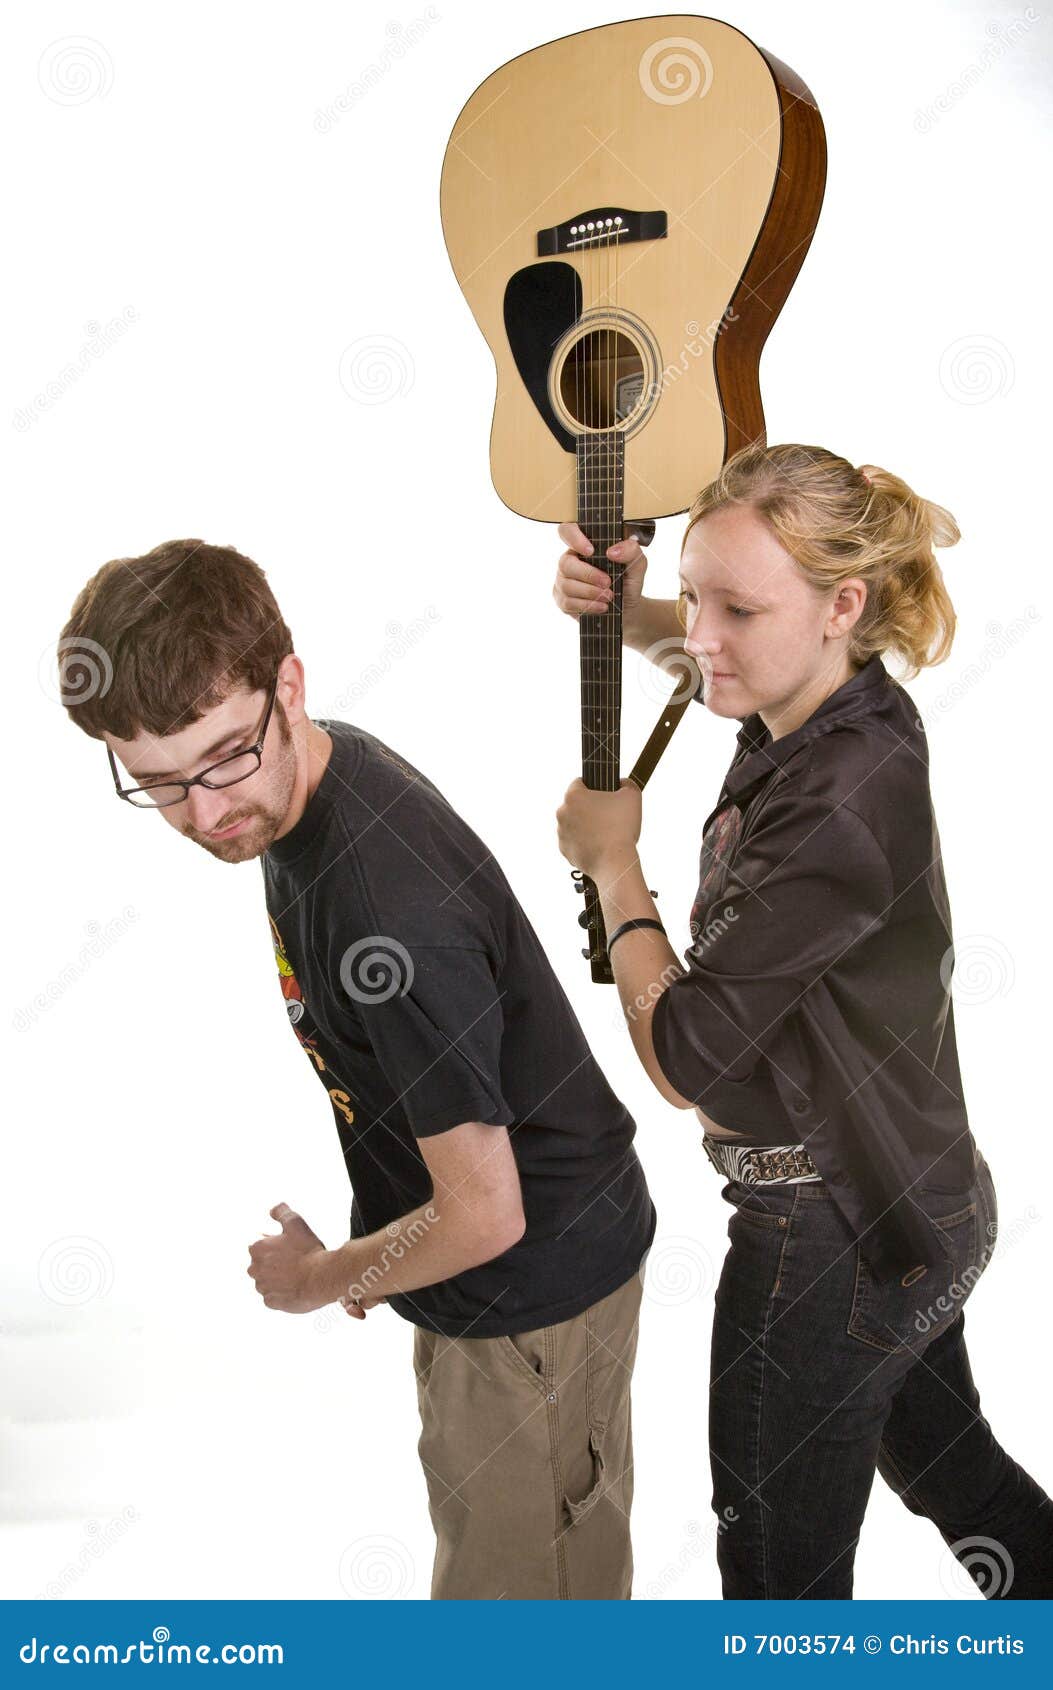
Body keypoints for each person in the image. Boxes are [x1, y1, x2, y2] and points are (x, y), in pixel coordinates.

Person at [57, 538, 655, 1601]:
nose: (205, 815)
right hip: (495, 1279)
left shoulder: (387, 914)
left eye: (226, 758)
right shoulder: (308, 777)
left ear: (289, 685)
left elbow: (485, 1215)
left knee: (511, 1626)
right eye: (160, 785)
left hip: (528, 1296)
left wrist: (319, 1278)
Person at [552, 441, 1053, 1600]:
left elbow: (683, 1055)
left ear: (843, 604)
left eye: (740, 606)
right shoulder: (837, 708)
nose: (706, 637)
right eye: (698, 591)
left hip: (829, 1237)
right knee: (965, 1484)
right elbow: (725, 655)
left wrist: (618, 872)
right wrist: (634, 610)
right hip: (914, 1201)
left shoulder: (837, 792)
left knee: (780, 1592)